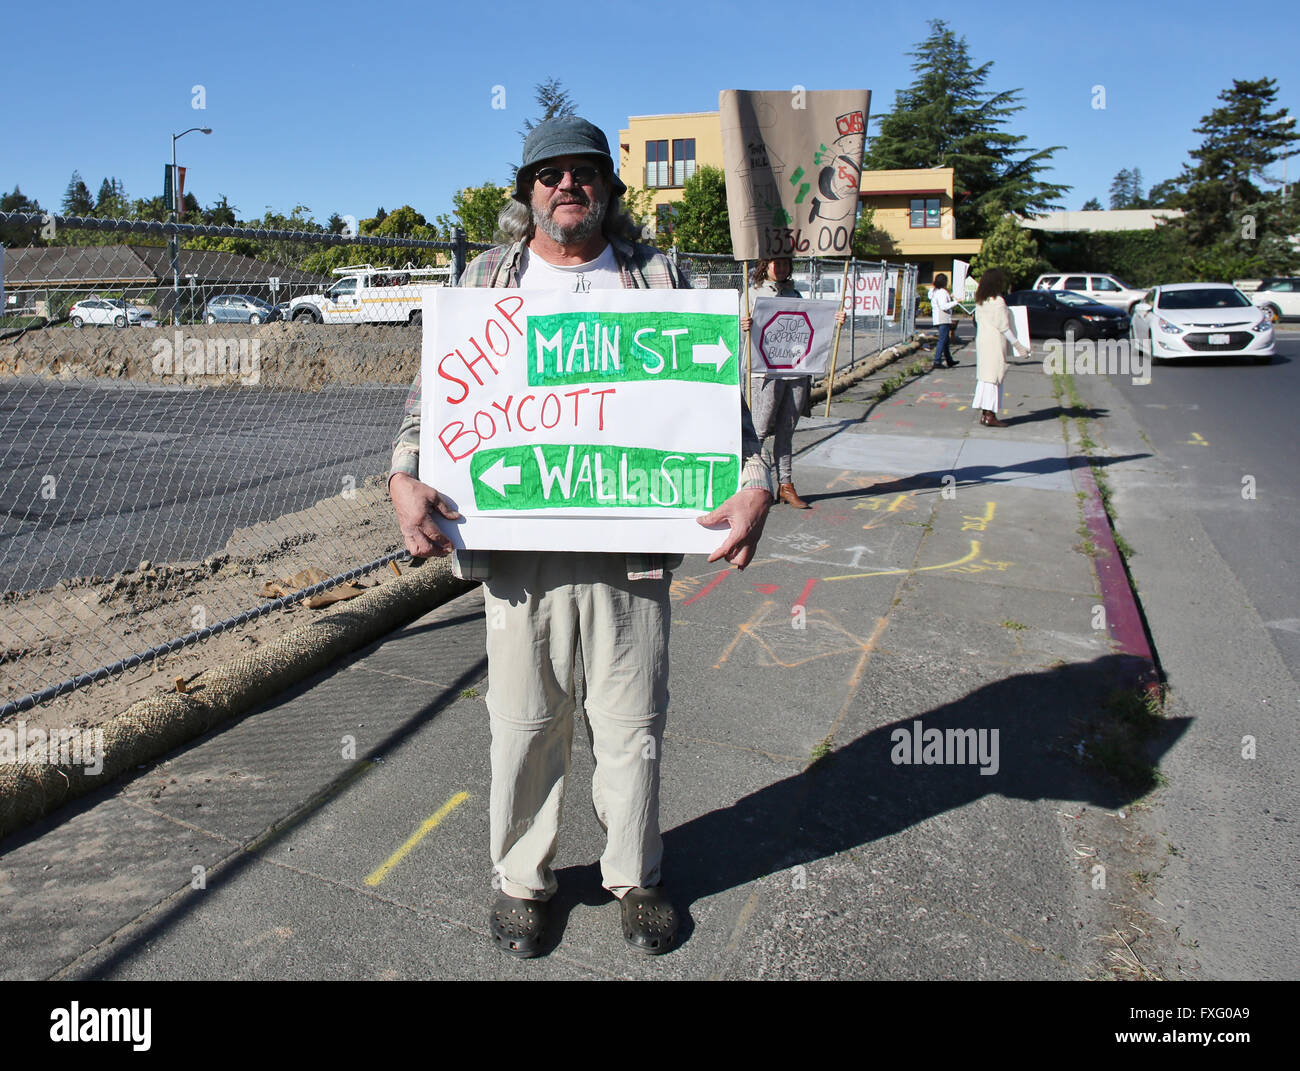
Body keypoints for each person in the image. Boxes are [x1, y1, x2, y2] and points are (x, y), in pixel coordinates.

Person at [387, 117, 774, 958]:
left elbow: (720, 410)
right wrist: (401, 474)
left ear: (609, 186)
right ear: (526, 193)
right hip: (516, 547)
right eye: (549, 173)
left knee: (632, 726)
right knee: (523, 727)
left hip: (631, 553)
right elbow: (431, 400)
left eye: (585, 172)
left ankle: (636, 877)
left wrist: (755, 481)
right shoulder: (488, 277)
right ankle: (524, 881)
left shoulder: (655, 276)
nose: (568, 185)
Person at [739, 257, 843, 509]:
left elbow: (810, 328)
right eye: (777, 263)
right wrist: (743, 324)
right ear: (766, 265)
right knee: (758, 431)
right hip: (764, 373)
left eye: (786, 264)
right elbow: (737, 328)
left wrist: (834, 320)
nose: (782, 268)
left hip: (795, 371)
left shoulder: (796, 294)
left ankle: (785, 485)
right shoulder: (752, 293)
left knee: (787, 430)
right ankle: (749, 484)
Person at [972, 268, 1030, 428]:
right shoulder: (998, 301)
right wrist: (1019, 346)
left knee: (985, 378)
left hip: (983, 341)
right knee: (995, 377)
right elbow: (1004, 327)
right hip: (994, 343)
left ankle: (985, 414)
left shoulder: (981, 300)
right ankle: (990, 415)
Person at [929, 273, 959, 369]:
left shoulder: (935, 291)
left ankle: (949, 360)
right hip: (943, 318)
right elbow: (943, 306)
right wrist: (956, 302)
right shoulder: (942, 292)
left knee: (945, 340)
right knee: (942, 340)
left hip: (938, 318)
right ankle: (937, 361)